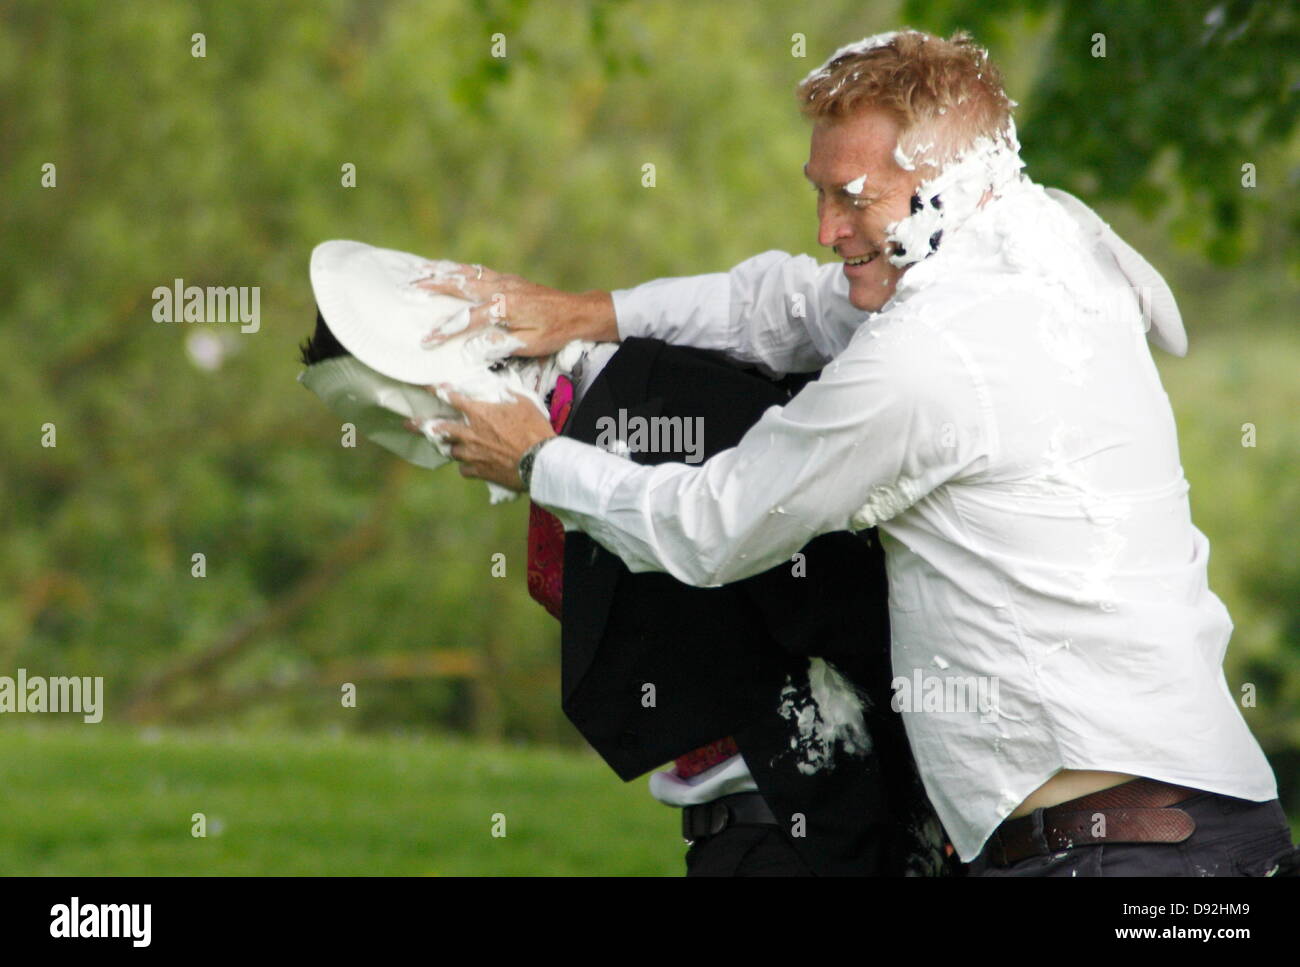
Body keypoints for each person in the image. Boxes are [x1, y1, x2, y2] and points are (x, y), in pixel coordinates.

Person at [413, 29, 1297, 876]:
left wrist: (537, 460)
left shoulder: (925, 359)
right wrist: (587, 314)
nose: (827, 229)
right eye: (819, 192)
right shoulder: (1048, 244)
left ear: (946, 188)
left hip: (1105, 856)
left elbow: (715, 525)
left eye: (852, 198)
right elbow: (790, 306)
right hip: (1222, 828)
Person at [301, 311, 954, 877]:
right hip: (741, 835)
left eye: (410, 407)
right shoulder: (583, 428)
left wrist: (914, 825)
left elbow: (848, 601)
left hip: (807, 834)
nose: (421, 436)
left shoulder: (669, 400)